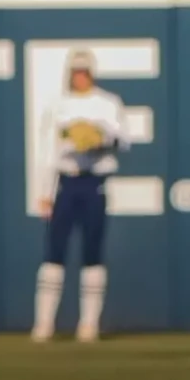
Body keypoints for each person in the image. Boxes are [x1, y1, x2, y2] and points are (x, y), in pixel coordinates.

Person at [30, 49, 124, 343]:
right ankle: (44, 324)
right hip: (66, 184)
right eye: (75, 71)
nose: (79, 77)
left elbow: (125, 139)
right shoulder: (59, 105)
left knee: (92, 254)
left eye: (84, 71)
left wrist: (100, 136)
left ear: (92, 73)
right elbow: (47, 151)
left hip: (94, 182)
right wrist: (44, 191)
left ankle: (89, 324)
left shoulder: (107, 103)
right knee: (54, 253)